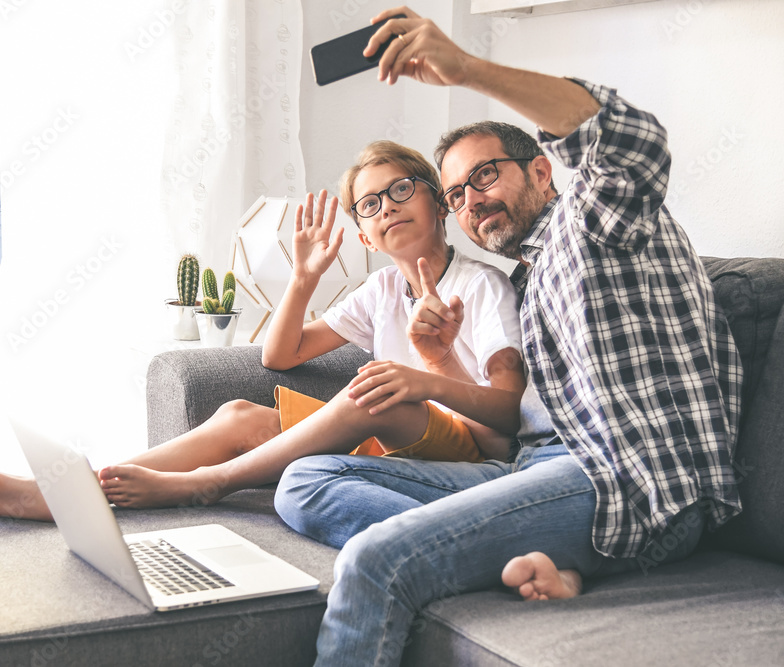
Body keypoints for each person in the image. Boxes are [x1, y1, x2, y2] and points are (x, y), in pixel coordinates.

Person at [272, 7, 744, 665]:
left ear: (543, 173)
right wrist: (438, 357)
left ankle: (465, 553)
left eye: (485, 175)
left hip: (627, 481)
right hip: (535, 469)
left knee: (375, 557)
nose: (471, 201)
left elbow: (630, 139)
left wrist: (467, 68)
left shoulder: (600, 228)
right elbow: (502, 427)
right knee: (304, 479)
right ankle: (502, 555)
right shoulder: (526, 277)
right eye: (457, 193)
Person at [0, 140, 526, 518]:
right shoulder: (379, 291)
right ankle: (64, 494)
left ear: (438, 203)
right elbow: (280, 357)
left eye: (403, 190)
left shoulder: (481, 286)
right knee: (236, 415)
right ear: (365, 238)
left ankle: (212, 481)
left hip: (470, 456)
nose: (388, 208)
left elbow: (504, 423)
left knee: (374, 388)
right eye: (370, 205)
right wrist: (303, 278)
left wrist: (427, 372)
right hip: (398, 442)